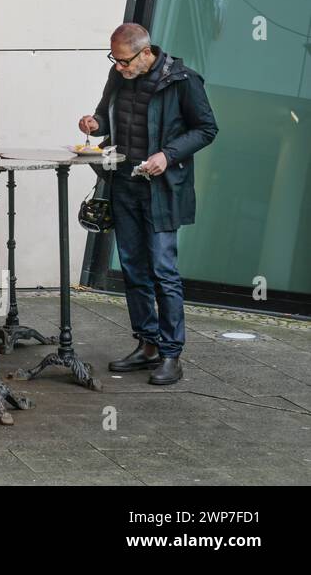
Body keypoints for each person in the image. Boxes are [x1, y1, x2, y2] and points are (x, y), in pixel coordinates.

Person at [79, 23, 217, 386]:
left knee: (162, 270)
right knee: (134, 269)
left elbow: (206, 128)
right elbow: (105, 117)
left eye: (124, 61)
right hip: (124, 183)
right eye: (115, 60)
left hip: (163, 188)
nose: (119, 68)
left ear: (145, 53)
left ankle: (172, 354)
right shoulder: (118, 75)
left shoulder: (183, 80)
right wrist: (93, 124)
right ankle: (148, 344)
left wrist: (168, 156)